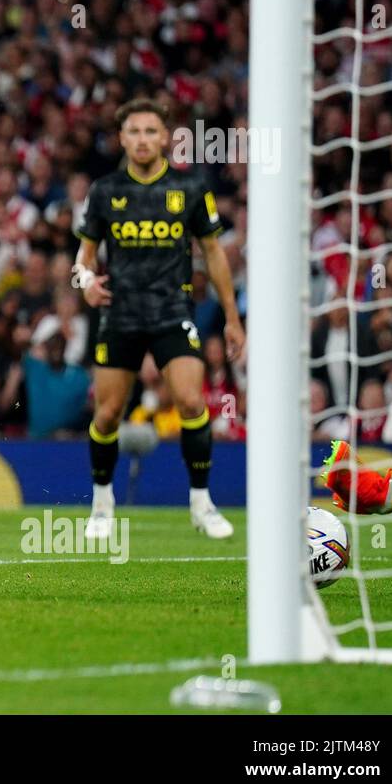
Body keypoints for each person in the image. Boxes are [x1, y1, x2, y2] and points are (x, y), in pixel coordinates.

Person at [73, 97, 244, 540]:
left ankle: (202, 503)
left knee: (191, 402)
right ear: (121, 138)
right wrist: (85, 282)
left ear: (166, 137)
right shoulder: (105, 191)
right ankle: (102, 505)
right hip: (121, 312)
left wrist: (231, 318)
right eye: (134, 132)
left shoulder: (190, 188)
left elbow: (213, 254)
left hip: (173, 310)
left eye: (151, 131)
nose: (143, 139)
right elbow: (84, 258)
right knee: (108, 414)